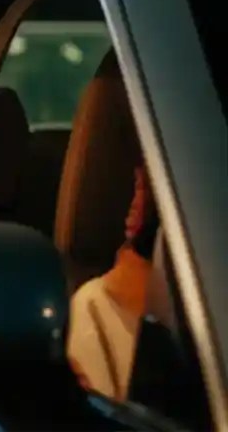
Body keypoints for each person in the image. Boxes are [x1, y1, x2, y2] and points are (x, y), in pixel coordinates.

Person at [66, 163, 159, 400]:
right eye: (137, 187)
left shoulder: (205, 307)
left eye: (145, 190)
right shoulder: (95, 305)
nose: (135, 204)